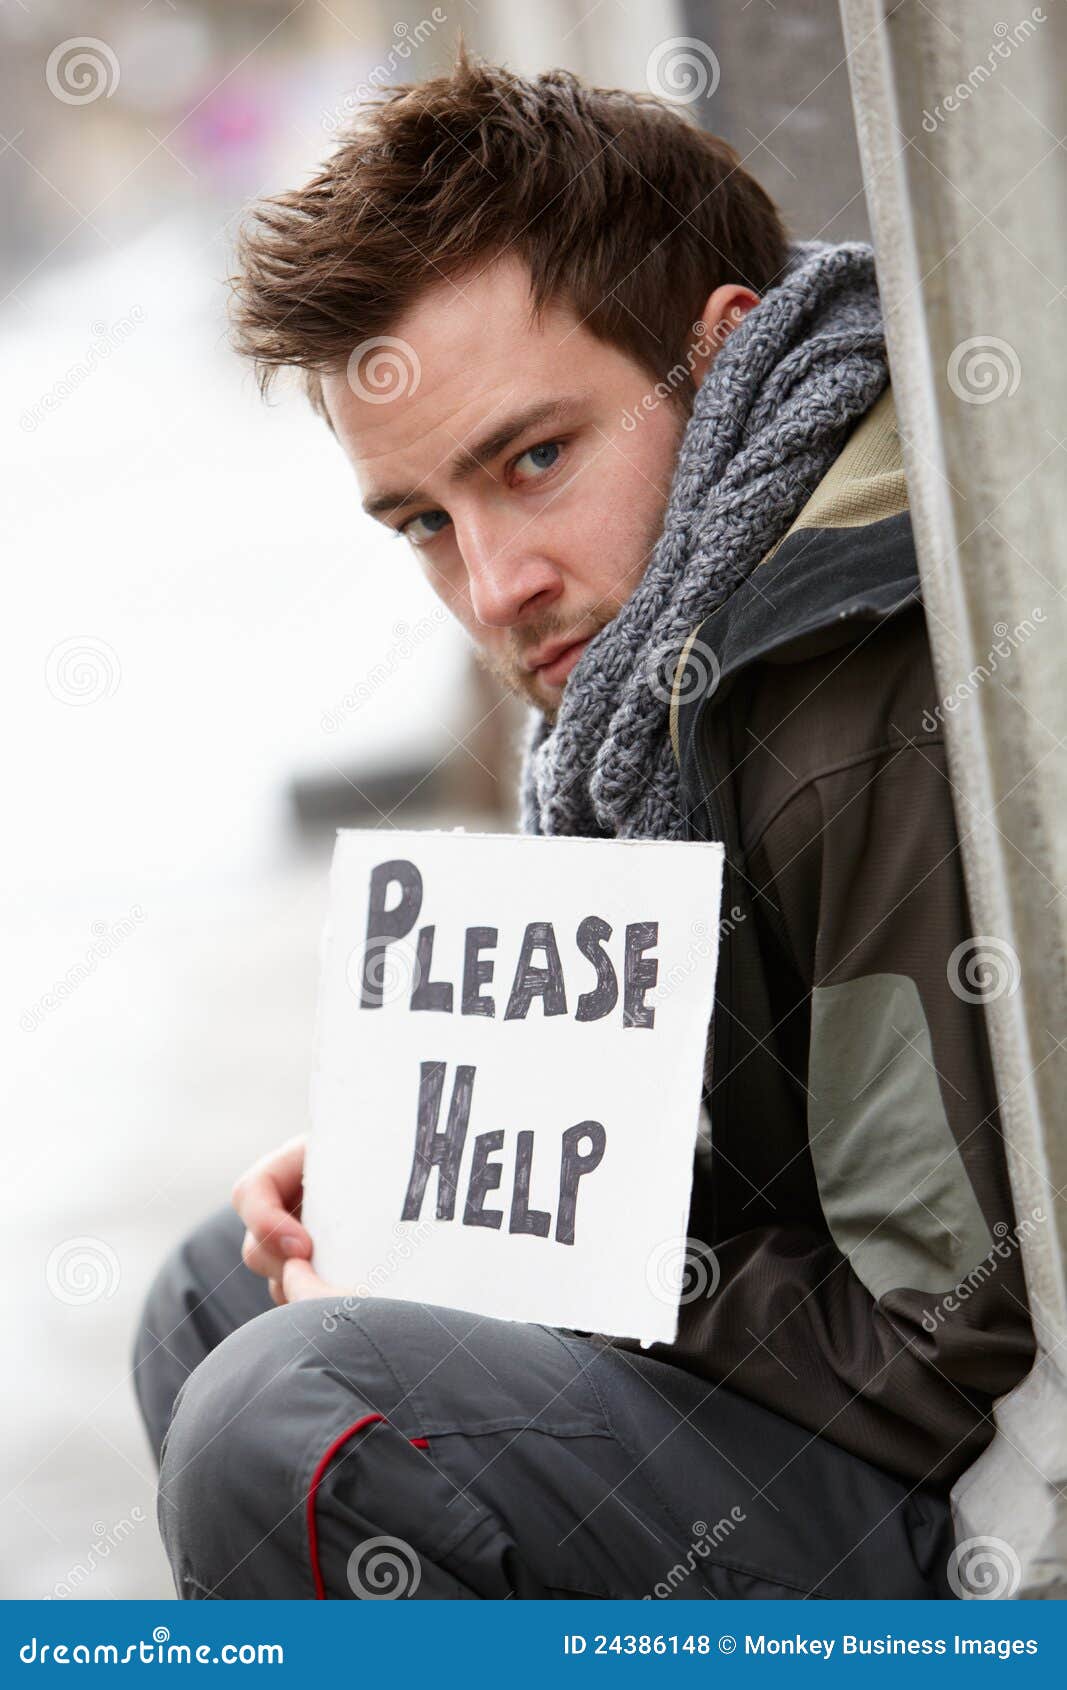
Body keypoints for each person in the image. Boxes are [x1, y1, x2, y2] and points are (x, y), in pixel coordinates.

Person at [133, 51, 1034, 1601]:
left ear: (721, 359)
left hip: (950, 1509)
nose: (493, 586)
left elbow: (938, 1343)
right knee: (216, 1293)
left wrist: (520, 1254)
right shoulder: (670, 654)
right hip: (820, 1405)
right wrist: (446, 1176)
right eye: (424, 520)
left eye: (534, 459)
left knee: (284, 1416)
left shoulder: (836, 697)